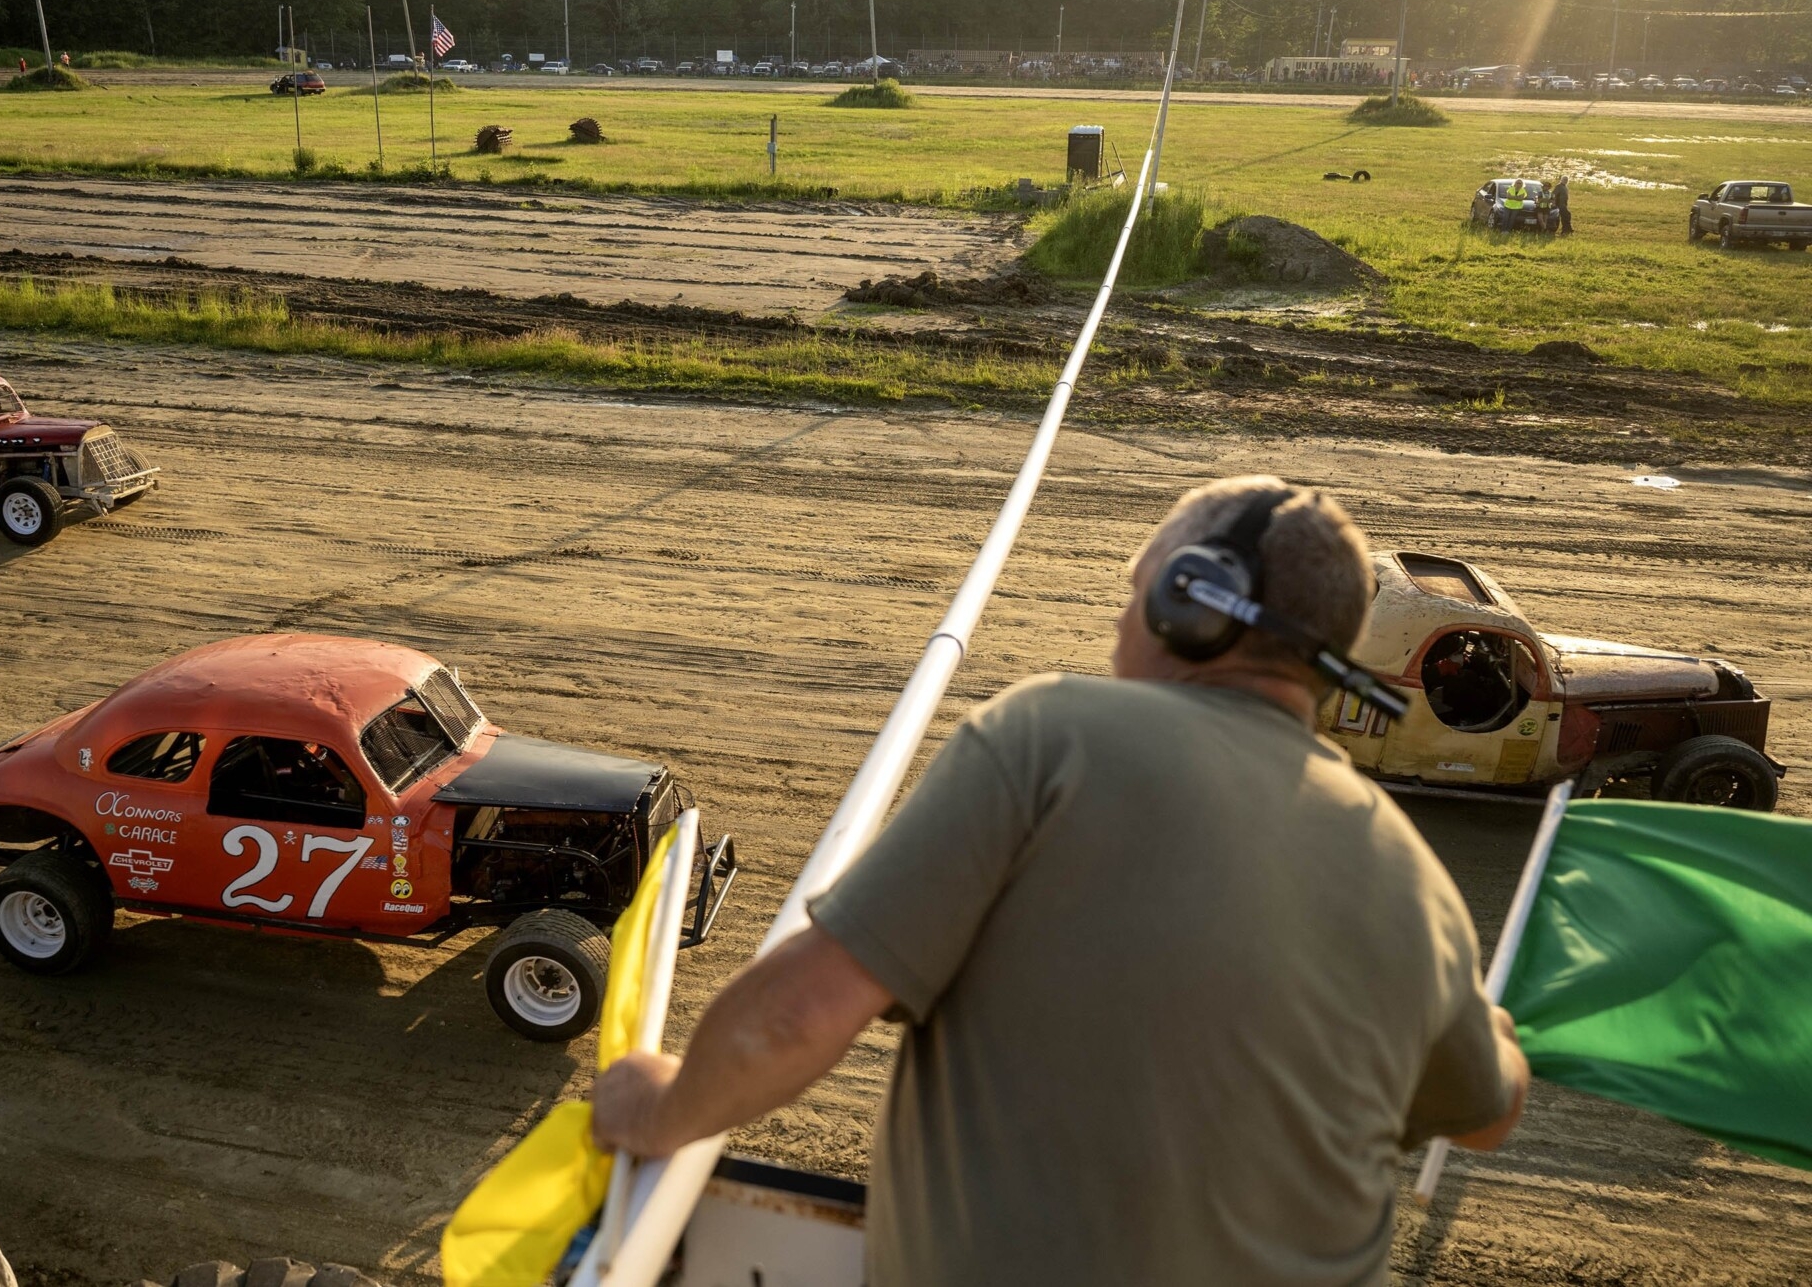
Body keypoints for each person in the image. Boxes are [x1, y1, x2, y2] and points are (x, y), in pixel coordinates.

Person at [594, 476, 1529, 1286]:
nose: (1121, 621)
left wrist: (657, 1105)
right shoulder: (1417, 883)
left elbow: (794, 1018)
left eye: (1137, 591)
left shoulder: (1052, 736)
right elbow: (1489, 1113)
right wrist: (1486, 1027)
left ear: (1190, 601)